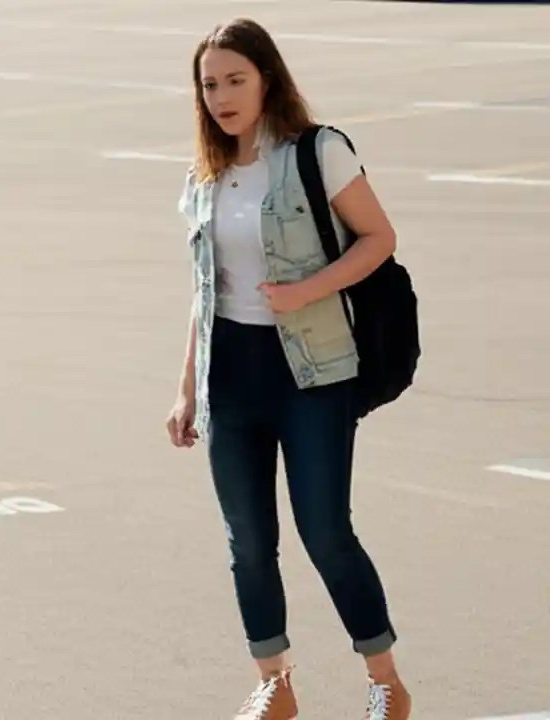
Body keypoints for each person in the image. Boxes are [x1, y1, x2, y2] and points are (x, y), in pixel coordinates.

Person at [165, 17, 412, 720]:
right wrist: (185, 389)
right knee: (248, 544)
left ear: (267, 79)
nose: (221, 97)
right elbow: (206, 291)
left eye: (235, 80)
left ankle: (386, 683)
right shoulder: (204, 177)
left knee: (326, 533)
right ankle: (274, 683)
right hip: (230, 377)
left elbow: (379, 238)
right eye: (209, 85)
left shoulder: (316, 152)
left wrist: (310, 289)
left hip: (312, 373)